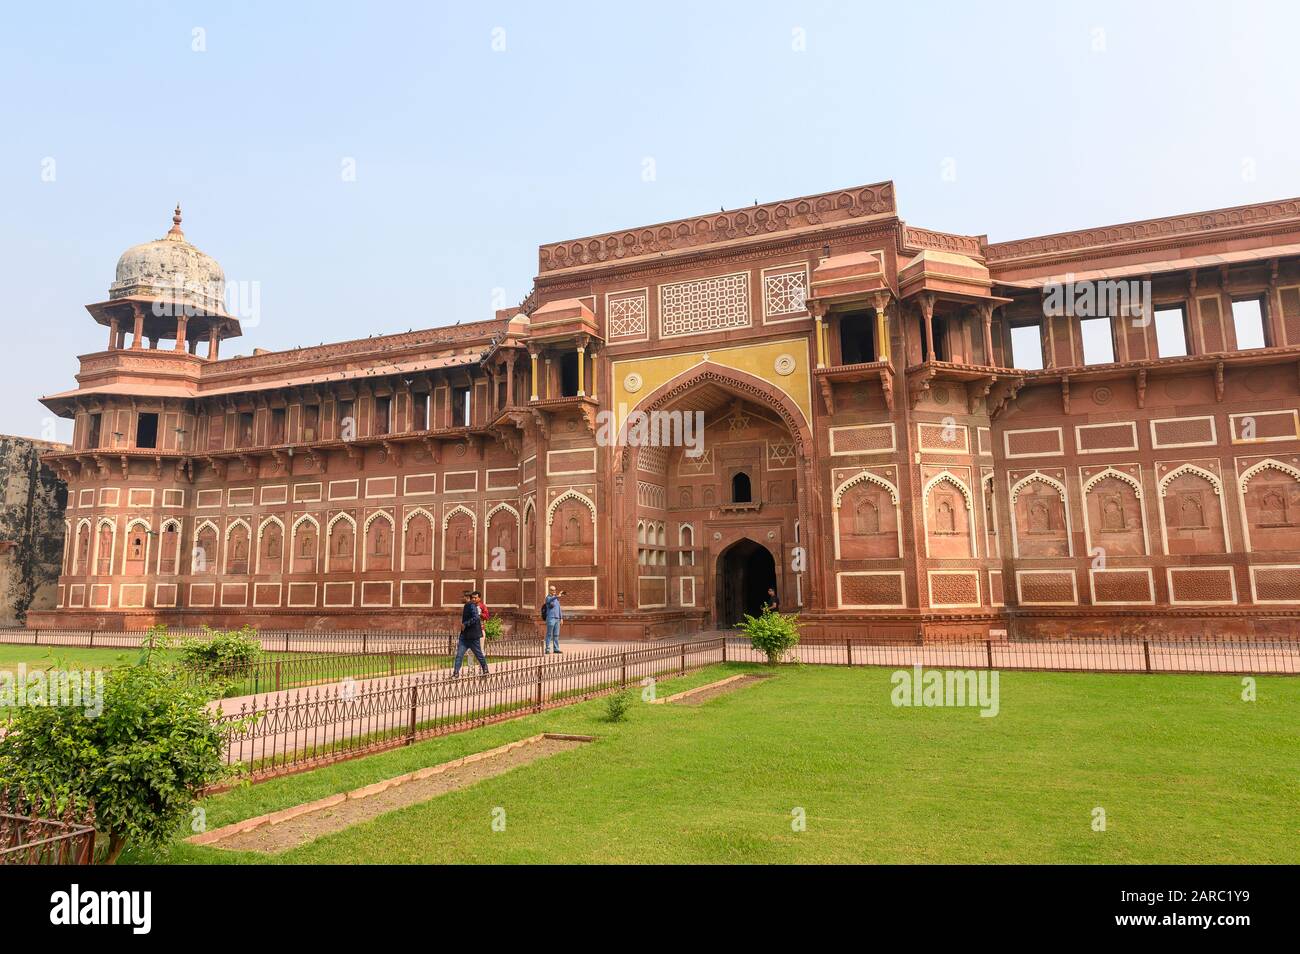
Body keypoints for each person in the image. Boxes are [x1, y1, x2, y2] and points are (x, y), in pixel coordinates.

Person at [453, 591, 489, 677]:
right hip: (465, 636)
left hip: (473, 637)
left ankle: (485, 669)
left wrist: (465, 624)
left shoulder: (471, 605)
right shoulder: (468, 605)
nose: (462, 598)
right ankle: (456, 673)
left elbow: (476, 617)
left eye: (463, 597)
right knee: (459, 655)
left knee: (479, 654)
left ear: (467, 598)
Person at [543, 585, 564, 654]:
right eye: (553, 590)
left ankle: (556, 649)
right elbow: (550, 600)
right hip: (550, 618)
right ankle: (547, 649)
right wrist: (557, 596)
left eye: (555, 590)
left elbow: (559, 609)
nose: (554, 591)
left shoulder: (556, 599)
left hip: (557, 619)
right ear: (550, 590)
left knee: (556, 635)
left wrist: (561, 618)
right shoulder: (548, 598)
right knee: (549, 634)